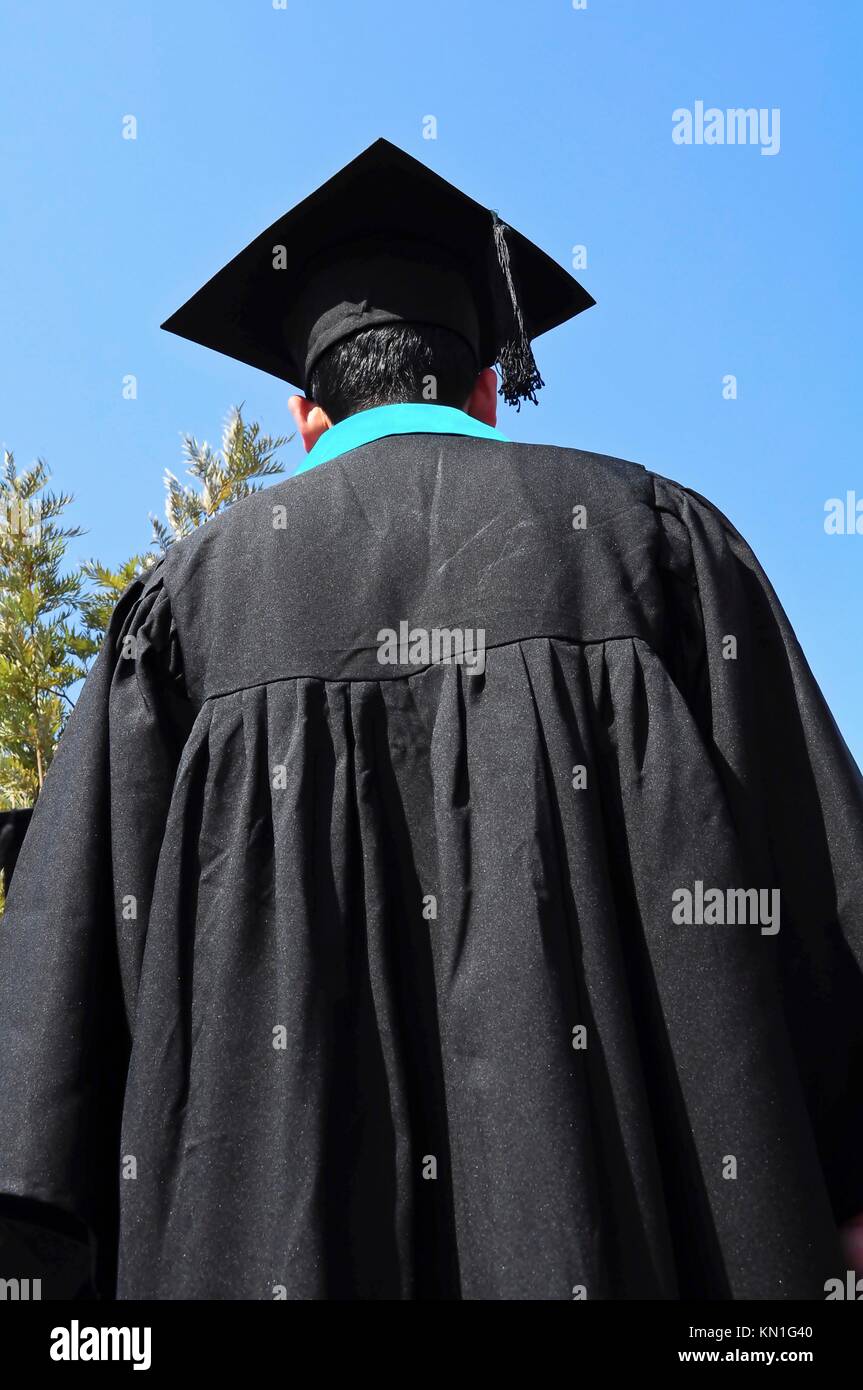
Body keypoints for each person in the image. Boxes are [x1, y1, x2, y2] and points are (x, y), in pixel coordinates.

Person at [0, 139, 861, 1301]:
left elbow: (62, 1017)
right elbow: (818, 903)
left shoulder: (182, 611)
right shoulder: (657, 545)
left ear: (306, 415)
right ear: (487, 389)